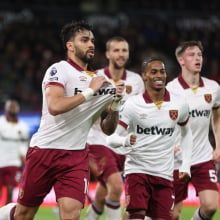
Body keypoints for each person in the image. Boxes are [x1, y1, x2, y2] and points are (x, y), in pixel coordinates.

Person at [0, 20, 125, 220]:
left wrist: (116, 106)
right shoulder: (58, 70)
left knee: (72, 214)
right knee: (24, 215)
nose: (91, 44)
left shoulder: (102, 83)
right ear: (70, 45)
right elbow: (55, 106)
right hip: (44, 152)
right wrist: (90, 91)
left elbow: (108, 129)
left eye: (92, 40)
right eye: (84, 40)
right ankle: (6, 213)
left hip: (75, 157)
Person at [106, 58, 193, 220]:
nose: (159, 75)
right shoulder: (133, 104)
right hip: (137, 171)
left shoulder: (179, 103)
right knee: (136, 216)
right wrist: (125, 141)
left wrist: (186, 164)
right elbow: (111, 139)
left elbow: (187, 133)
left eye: (162, 71)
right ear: (144, 76)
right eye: (153, 72)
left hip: (164, 174)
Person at [85, 36, 145, 220]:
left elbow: (141, 111)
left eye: (124, 50)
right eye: (116, 50)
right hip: (98, 141)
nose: (121, 54)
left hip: (122, 143)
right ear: (108, 54)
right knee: (117, 186)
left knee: (103, 194)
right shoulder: (96, 78)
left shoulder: (136, 81)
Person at [166, 40, 220, 220]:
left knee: (211, 206)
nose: (197, 58)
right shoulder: (171, 90)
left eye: (199, 54)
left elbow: (217, 117)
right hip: (176, 159)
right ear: (181, 60)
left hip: (203, 156)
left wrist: (219, 145)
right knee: (173, 214)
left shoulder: (213, 88)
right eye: (191, 55)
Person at [0, 99, 29, 205]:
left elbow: (23, 146)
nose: (12, 109)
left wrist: (25, 162)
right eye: (10, 107)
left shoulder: (23, 127)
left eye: (14, 107)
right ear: (6, 109)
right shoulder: (0, 123)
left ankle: (5, 215)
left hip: (14, 163)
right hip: (0, 161)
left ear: (18, 109)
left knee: (10, 190)